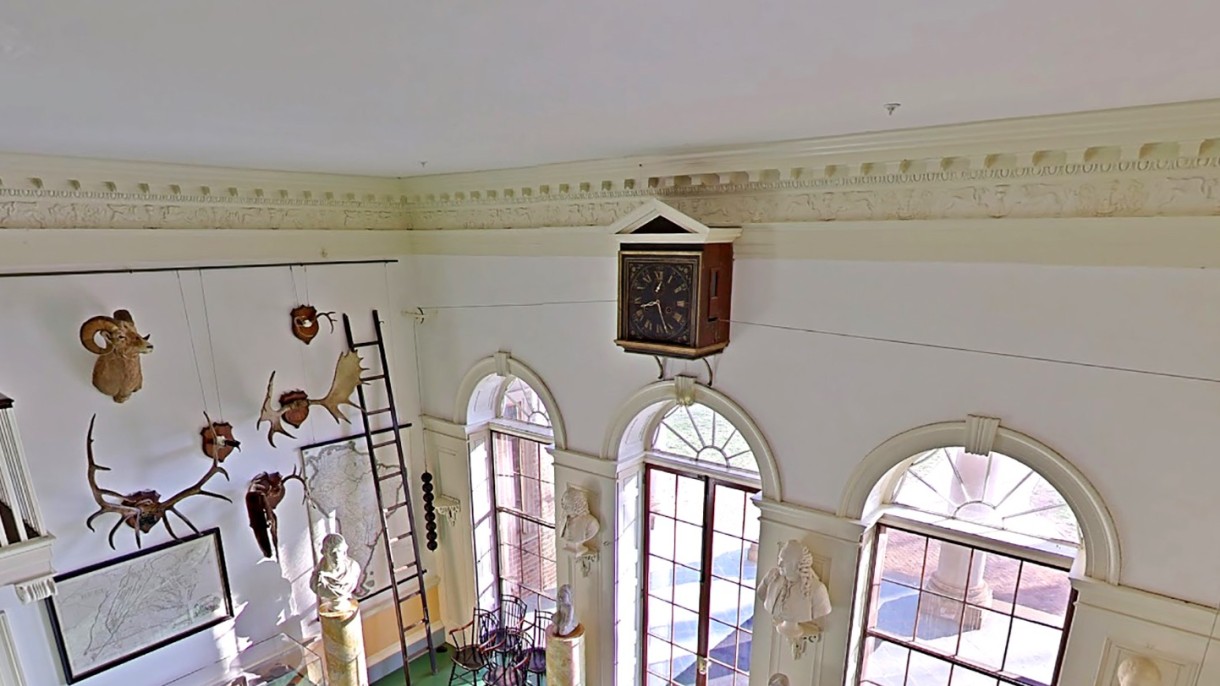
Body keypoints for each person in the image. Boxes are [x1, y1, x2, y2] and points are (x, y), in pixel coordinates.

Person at [756, 539, 831, 640]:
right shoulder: (772, 578)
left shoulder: (817, 590)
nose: (780, 564)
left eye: (785, 561)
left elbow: (823, 609)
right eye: (779, 559)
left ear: (798, 565)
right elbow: (761, 594)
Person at [310, 533, 362, 613]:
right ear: (325, 553)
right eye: (333, 552)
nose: (337, 556)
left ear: (345, 551)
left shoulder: (353, 569)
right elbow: (317, 586)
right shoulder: (317, 580)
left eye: (339, 551)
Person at [559, 487, 599, 553]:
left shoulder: (592, 523)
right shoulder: (564, 517)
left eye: (567, 505)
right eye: (563, 504)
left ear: (577, 505)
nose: (564, 508)